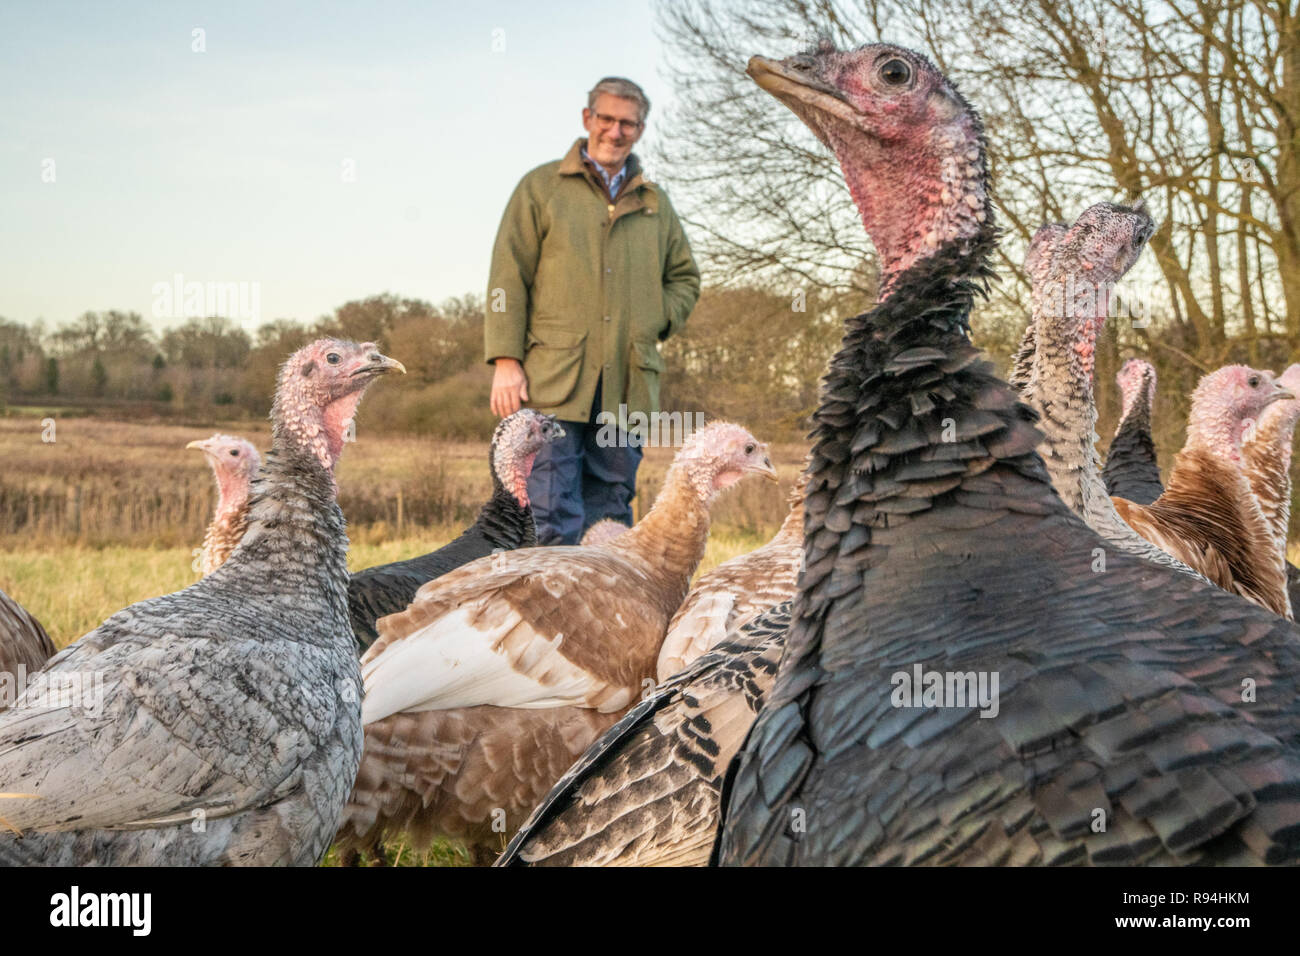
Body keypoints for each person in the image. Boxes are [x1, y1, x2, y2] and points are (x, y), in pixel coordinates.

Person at [484, 76, 700, 544]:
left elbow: (685, 278)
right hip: (553, 380)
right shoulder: (541, 188)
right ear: (587, 119)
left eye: (627, 123)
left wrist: (654, 320)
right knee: (548, 509)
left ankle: (602, 616)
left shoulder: (654, 202)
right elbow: (507, 277)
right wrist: (506, 360)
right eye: (606, 119)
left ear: (640, 129)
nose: (615, 131)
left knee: (610, 516)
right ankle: (545, 614)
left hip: (628, 385)